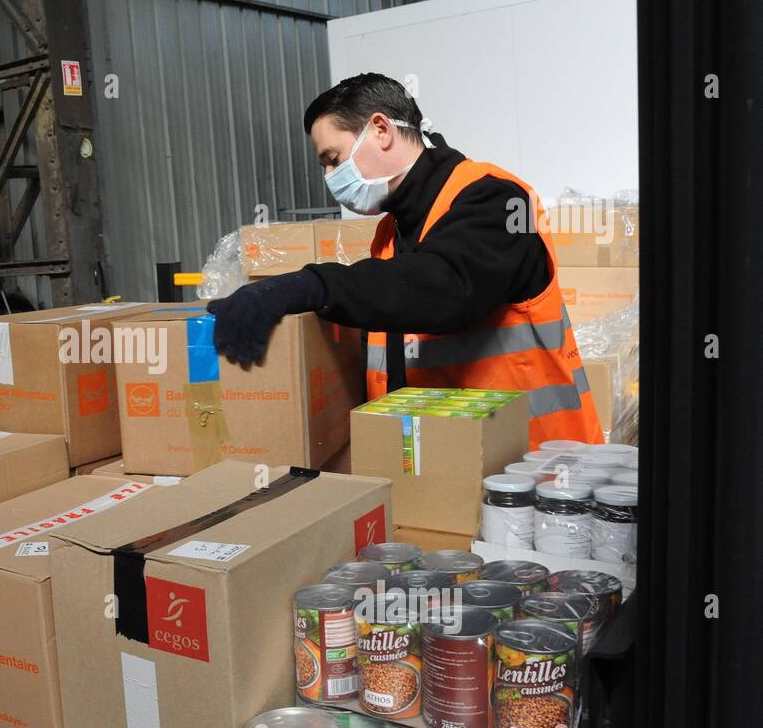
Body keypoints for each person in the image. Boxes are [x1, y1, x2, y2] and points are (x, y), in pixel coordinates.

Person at [207, 72, 602, 447]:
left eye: (333, 158)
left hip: (537, 473)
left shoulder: (498, 198)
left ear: (381, 130)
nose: (329, 176)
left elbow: (444, 289)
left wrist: (310, 285)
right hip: (447, 468)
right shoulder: (391, 231)